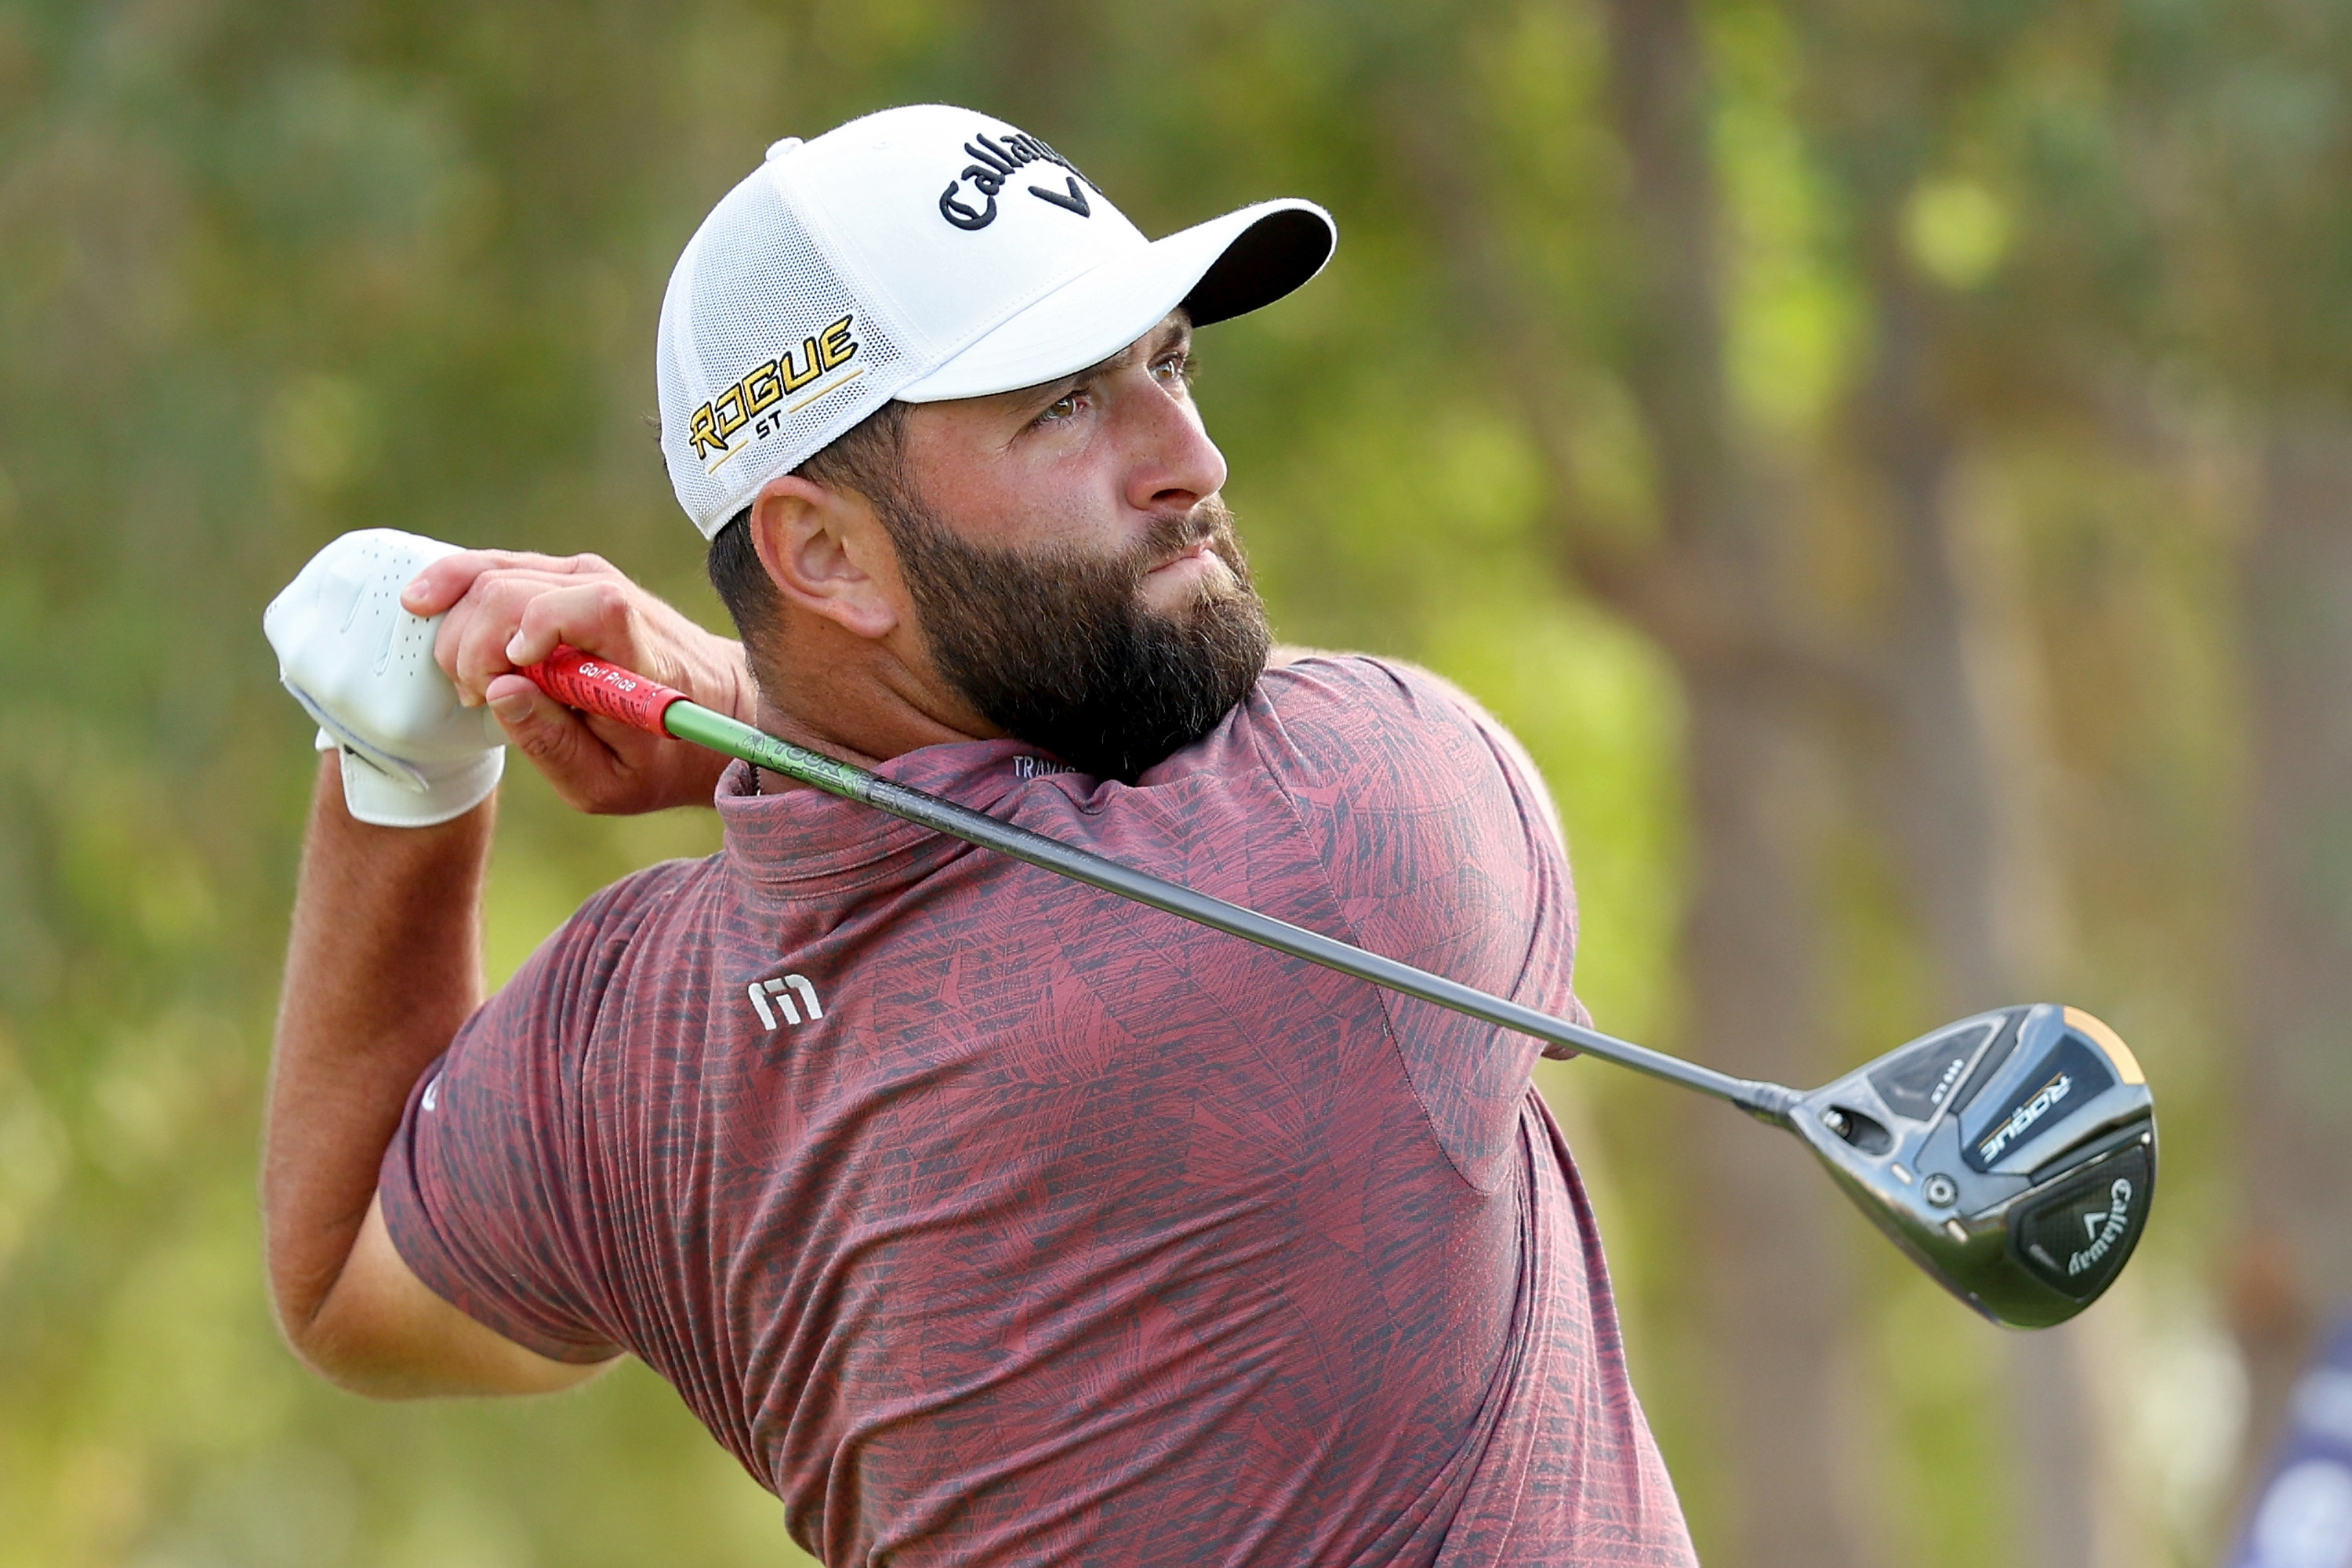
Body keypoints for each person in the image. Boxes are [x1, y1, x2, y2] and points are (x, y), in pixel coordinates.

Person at [262, 103, 1697, 1565]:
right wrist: (736, 702)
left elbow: (341, 1288)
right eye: (1062, 406)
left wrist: (398, 766)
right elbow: (1033, 838)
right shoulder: (1367, 822)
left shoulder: (636, 1049)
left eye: (1168, 364)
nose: (1188, 457)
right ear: (821, 552)